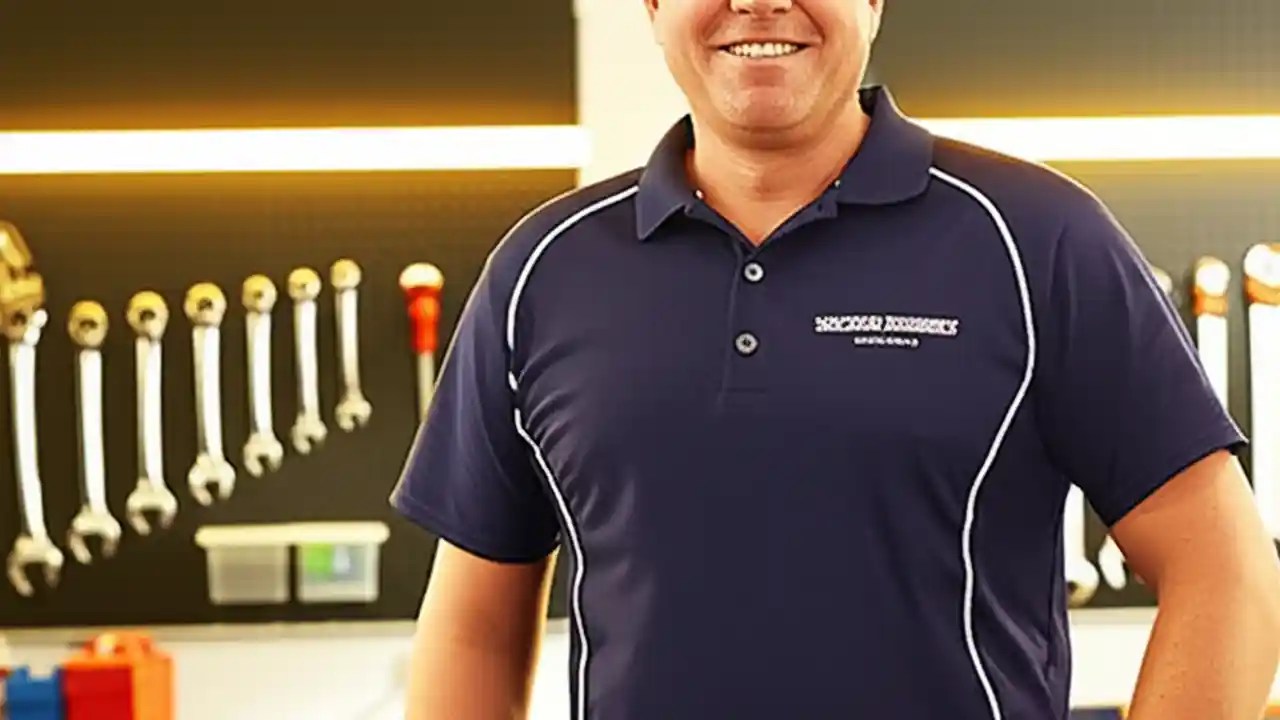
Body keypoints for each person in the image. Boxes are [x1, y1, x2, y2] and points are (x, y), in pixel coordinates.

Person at [389, 0, 1280, 717]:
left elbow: (1226, 570)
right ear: (652, 5)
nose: (758, 4)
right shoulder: (543, 271)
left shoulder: (1036, 238)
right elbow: (472, 625)